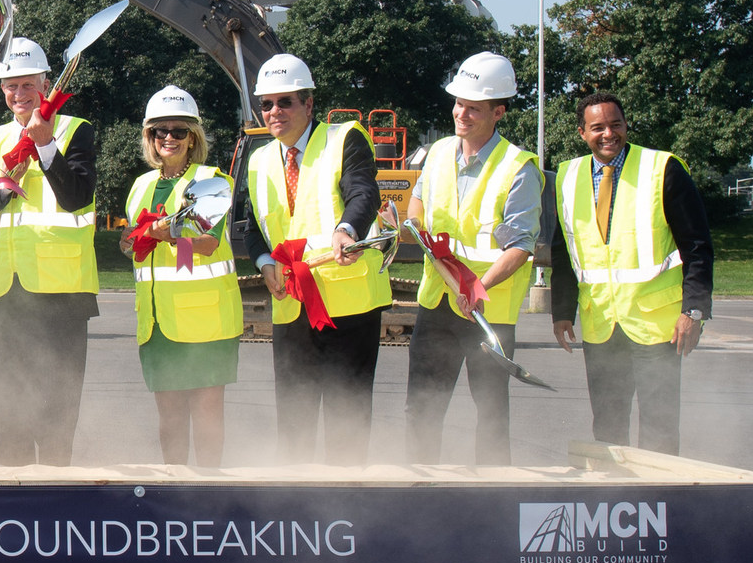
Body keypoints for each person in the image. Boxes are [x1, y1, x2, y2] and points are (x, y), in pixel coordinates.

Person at [0, 38, 100, 466]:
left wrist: (46, 147)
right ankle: (12, 498)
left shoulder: (75, 129)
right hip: (1, 291)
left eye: (28, 84)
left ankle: (54, 498)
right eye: (10, 86)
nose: (19, 94)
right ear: (2, 91)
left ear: (46, 84)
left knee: (56, 409)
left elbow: (76, 198)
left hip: (61, 291)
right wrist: (7, 182)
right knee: (8, 411)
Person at [227, 52, 387, 465]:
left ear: (309, 103)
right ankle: (297, 509)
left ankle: (349, 509)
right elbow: (253, 225)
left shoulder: (344, 138)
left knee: (345, 418)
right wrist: (263, 263)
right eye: (267, 104)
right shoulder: (259, 159)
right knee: (293, 420)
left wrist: (346, 229)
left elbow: (363, 194)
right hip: (290, 303)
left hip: (346, 303)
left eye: (285, 102)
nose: (274, 112)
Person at [549, 92, 715, 455]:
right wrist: (562, 311)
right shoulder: (567, 175)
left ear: (627, 126)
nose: (608, 134)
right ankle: (613, 497)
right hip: (601, 325)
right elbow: (565, 250)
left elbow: (697, 246)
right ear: (582, 133)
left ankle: (659, 500)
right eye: (598, 128)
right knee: (607, 425)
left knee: (659, 425)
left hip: (657, 326)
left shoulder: (663, 169)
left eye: (616, 125)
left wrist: (695, 312)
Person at [400, 52, 544, 467]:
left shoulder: (519, 168)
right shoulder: (440, 152)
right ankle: (420, 484)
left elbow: (520, 246)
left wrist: (477, 286)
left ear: (498, 112)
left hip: (488, 311)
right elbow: (418, 207)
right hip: (437, 304)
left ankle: (495, 497)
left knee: (491, 414)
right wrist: (412, 226)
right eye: (459, 103)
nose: (461, 113)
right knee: (422, 408)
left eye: (473, 108)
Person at [123, 86, 243, 465]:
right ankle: (174, 491)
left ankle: (208, 493)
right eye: (160, 131)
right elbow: (132, 245)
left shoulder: (211, 179)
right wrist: (132, 241)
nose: (169, 138)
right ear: (150, 138)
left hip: (206, 320)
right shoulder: (141, 185)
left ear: (194, 138)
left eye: (178, 130)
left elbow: (207, 243)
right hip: (157, 323)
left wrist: (166, 233)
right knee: (170, 420)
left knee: (207, 417)